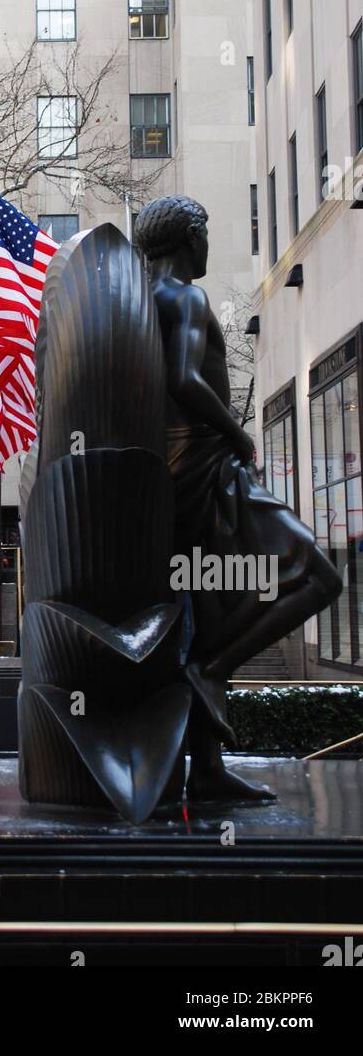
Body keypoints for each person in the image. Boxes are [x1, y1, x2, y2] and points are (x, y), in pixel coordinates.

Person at [134, 196, 342, 801]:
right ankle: (212, 668)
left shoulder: (136, 305)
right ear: (186, 238)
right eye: (205, 233)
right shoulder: (186, 297)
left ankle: (205, 767)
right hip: (207, 468)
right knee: (318, 575)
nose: (208, 247)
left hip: (167, 479)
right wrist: (238, 430)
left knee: (204, 612)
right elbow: (184, 380)